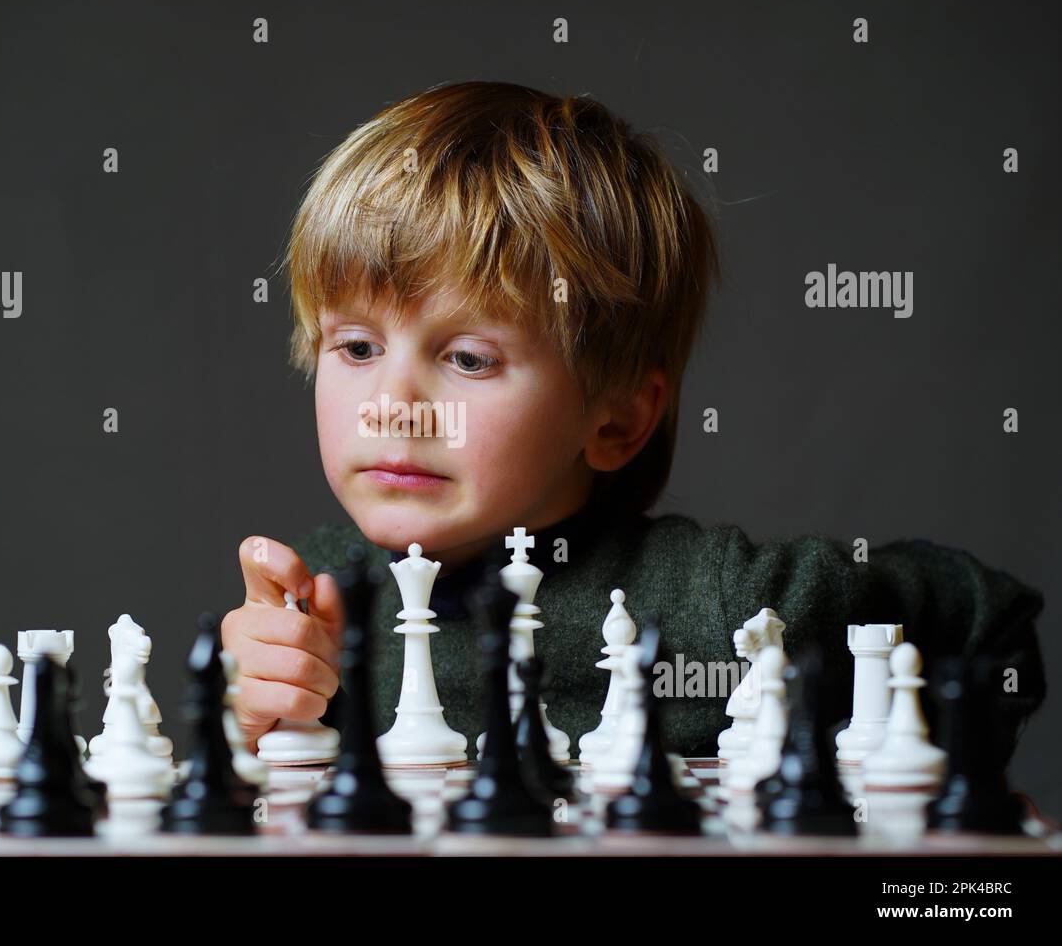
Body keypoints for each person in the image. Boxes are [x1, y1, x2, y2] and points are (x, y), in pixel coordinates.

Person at [220, 81, 1045, 768]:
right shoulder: (323, 590)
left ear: (616, 421)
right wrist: (257, 709)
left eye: (469, 359)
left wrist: (927, 815)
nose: (391, 404)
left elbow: (988, 616)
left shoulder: (722, 600)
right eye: (356, 346)